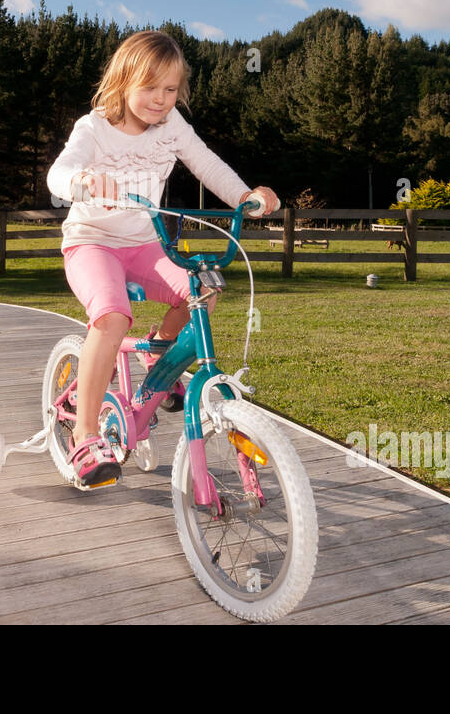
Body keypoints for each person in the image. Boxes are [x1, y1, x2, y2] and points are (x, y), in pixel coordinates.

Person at [46, 30, 279, 486]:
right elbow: (60, 172)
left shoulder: (172, 127)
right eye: (150, 88)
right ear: (122, 82)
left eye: (171, 90)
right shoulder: (93, 128)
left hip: (146, 244)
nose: (160, 99)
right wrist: (85, 183)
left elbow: (208, 166)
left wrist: (246, 196)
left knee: (204, 287)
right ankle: (86, 436)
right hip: (92, 242)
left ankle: (158, 351)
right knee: (112, 317)